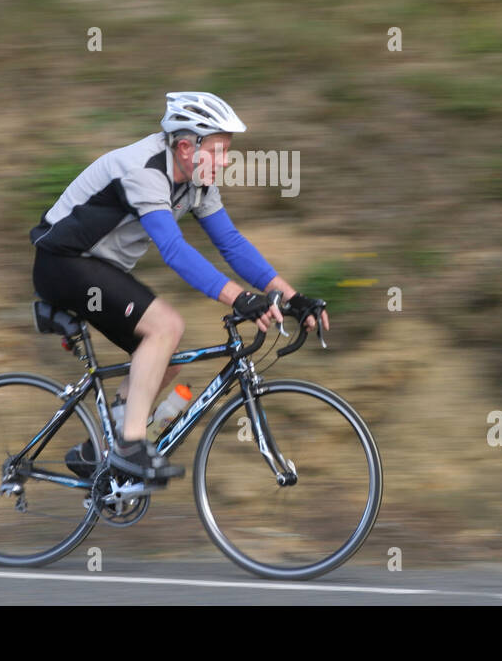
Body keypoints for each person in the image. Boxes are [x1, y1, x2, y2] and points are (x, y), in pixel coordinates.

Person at [29, 91, 330, 484]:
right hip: (63, 264)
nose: (226, 161)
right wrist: (239, 298)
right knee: (165, 326)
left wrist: (292, 297)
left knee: (166, 357)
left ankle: (100, 451)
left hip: (100, 268)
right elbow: (173, 249)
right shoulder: (144, 170)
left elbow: (231, 244)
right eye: (219, 151)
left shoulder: (196, 181)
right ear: (186, 147)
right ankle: (130, 445)